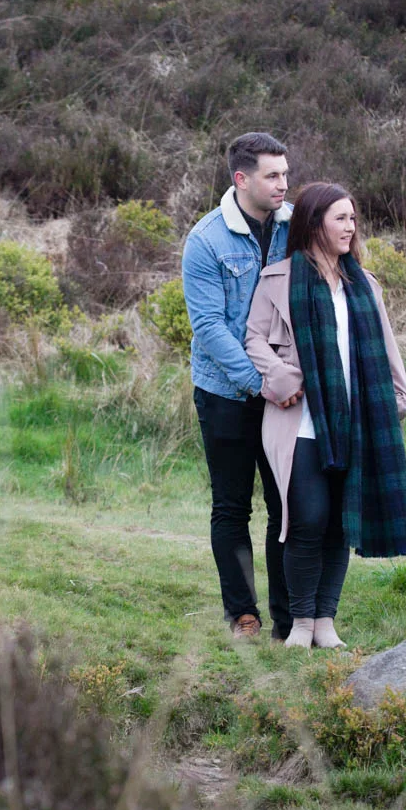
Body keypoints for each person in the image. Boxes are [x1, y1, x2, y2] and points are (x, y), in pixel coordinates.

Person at [244, 182, 406, 649]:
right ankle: (300, 623)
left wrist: (398, 394)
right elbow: (253, 339)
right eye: (340, 218)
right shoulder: (278, 280)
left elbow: (385, 346)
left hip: (356, 420)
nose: (350, 227)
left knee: (341, 523)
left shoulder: (364, 285)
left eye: (353, 218)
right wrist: (278, 377)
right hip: (299, 421)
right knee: (307, 521)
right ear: (315, 222)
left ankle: (326, 621)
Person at [181, 132, 294, 641]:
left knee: (286, 503)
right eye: (272, 175)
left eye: (286, 174)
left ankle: (288, 616)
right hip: (225, 394)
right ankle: (242, 614)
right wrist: (260, 383)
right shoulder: (206, 240)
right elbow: (209, 329)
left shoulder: (295, 227)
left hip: (285, 393)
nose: (283, 184)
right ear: (241, 178)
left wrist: (287, 380)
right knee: (231, 505)